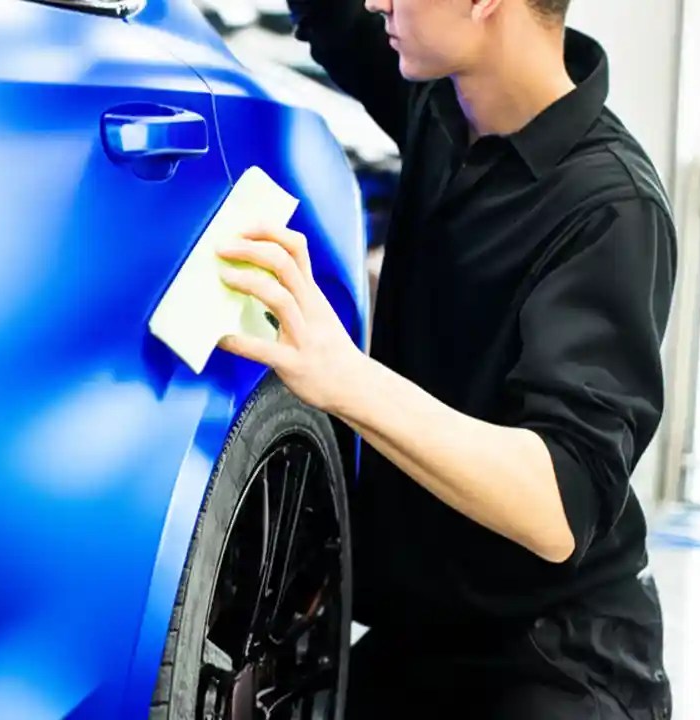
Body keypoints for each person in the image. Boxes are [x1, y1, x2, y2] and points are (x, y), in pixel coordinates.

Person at [212, 0, 676, 717]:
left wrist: (346, 378)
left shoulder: (611, 210)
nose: (377, 3)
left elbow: (558, 503)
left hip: (554, 664)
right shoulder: (446, 99)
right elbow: (333, 13)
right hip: (418, 643)